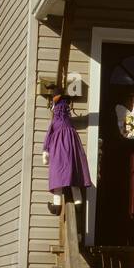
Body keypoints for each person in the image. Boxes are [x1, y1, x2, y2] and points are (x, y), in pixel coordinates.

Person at [42, 86, 92, 214]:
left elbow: (48, 136)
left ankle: (57, 206)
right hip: (71, 154)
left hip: (58, 153)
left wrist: (45, 152)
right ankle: (78, 202)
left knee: (57, 177)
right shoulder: (70, 124)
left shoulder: (55, 123)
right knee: (73, 177)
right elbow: (77, 143)